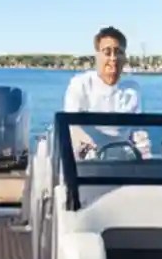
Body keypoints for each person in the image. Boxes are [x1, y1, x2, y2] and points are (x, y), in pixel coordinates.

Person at [64, 26, 149, 159]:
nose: (113, 58)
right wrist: (89, 147)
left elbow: (138, 132)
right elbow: (72, 126)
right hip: (86, 162)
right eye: (107, 52)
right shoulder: (80, 84)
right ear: (97, 56)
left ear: (124, 57)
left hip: (122, 164)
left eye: (118, 52)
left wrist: (146, 159)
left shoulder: (132, 90)